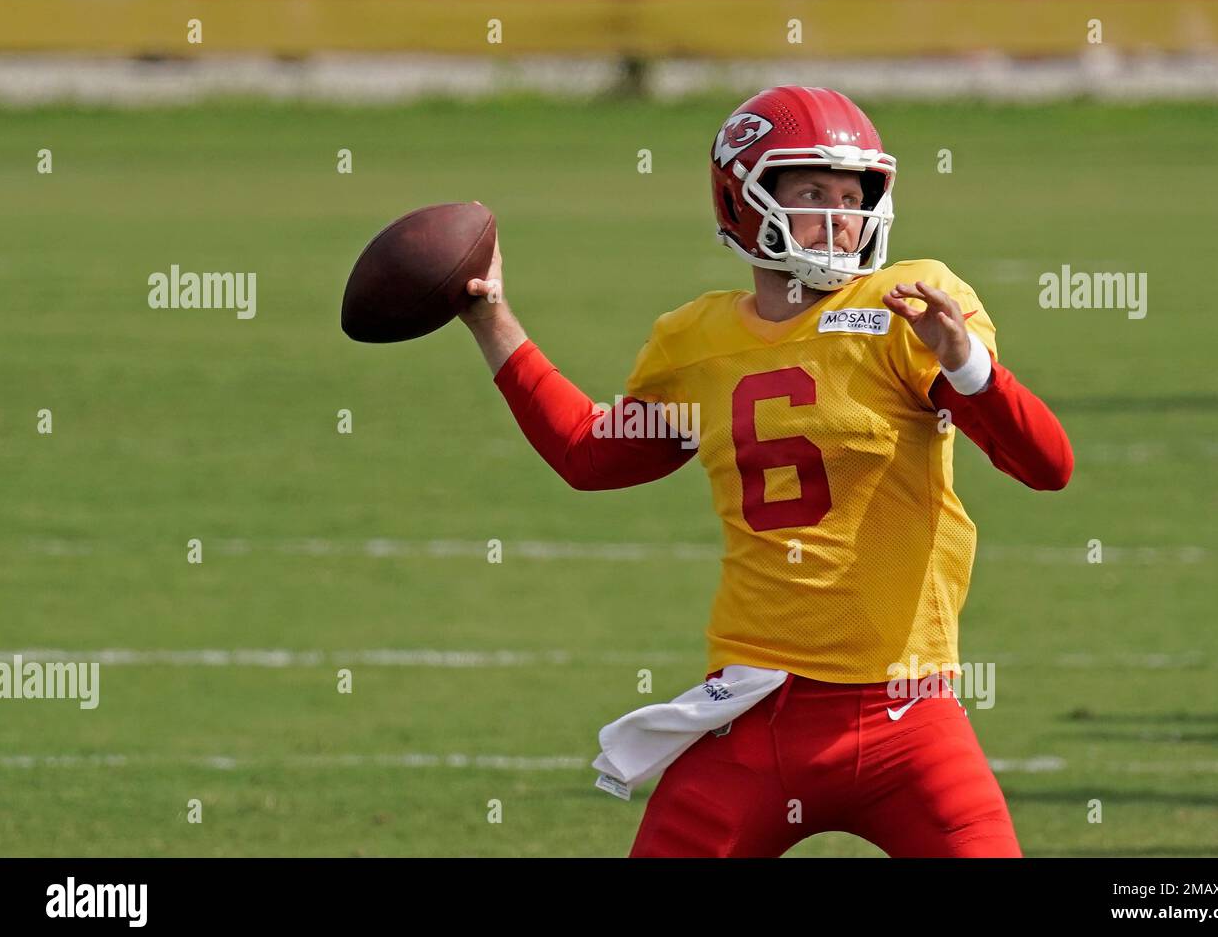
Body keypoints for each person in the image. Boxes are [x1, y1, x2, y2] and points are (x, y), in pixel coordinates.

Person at [457, 86, 1073, 857]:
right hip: (759, 715)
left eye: (853, 195)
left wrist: (967, 363)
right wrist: (490, 317)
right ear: (742, 199)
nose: (840, 216)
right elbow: (590, 454)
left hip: (909, 718)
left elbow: (1047, 466)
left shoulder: (905, 308)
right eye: (813, 192)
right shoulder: (697, 340)